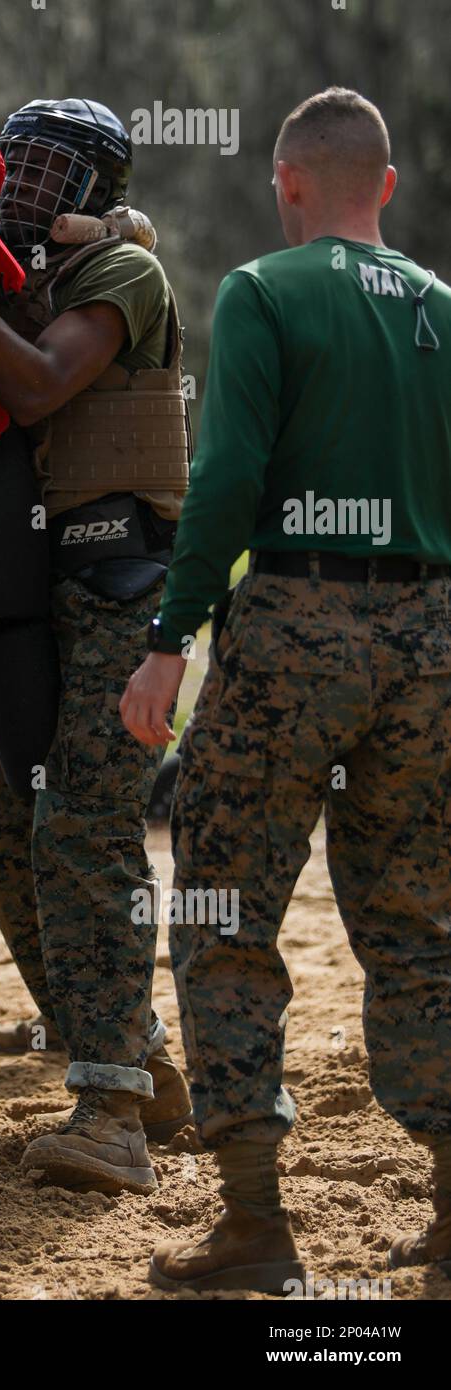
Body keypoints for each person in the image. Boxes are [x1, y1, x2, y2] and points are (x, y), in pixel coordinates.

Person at [120, 88, 451, 1291]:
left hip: (294, 635)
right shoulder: (443, 309)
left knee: (222, 913)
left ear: (288, 182)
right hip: (429, 636)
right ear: (390, 185)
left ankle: (257, 1225)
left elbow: (228, 478)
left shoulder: (262, 290)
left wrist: (172, 636)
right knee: (419, 923)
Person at [0, 97, 194, 1190]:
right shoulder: (0, 279)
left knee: (85, 828)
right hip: (25, 594)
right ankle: (136, 1058)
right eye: (14, 160)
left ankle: (110, 1114)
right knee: (11, 845)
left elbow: (41, 380)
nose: (26, 180)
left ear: (102, 186)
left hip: (113, 583)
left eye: (53, 166)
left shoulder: (121, 276)